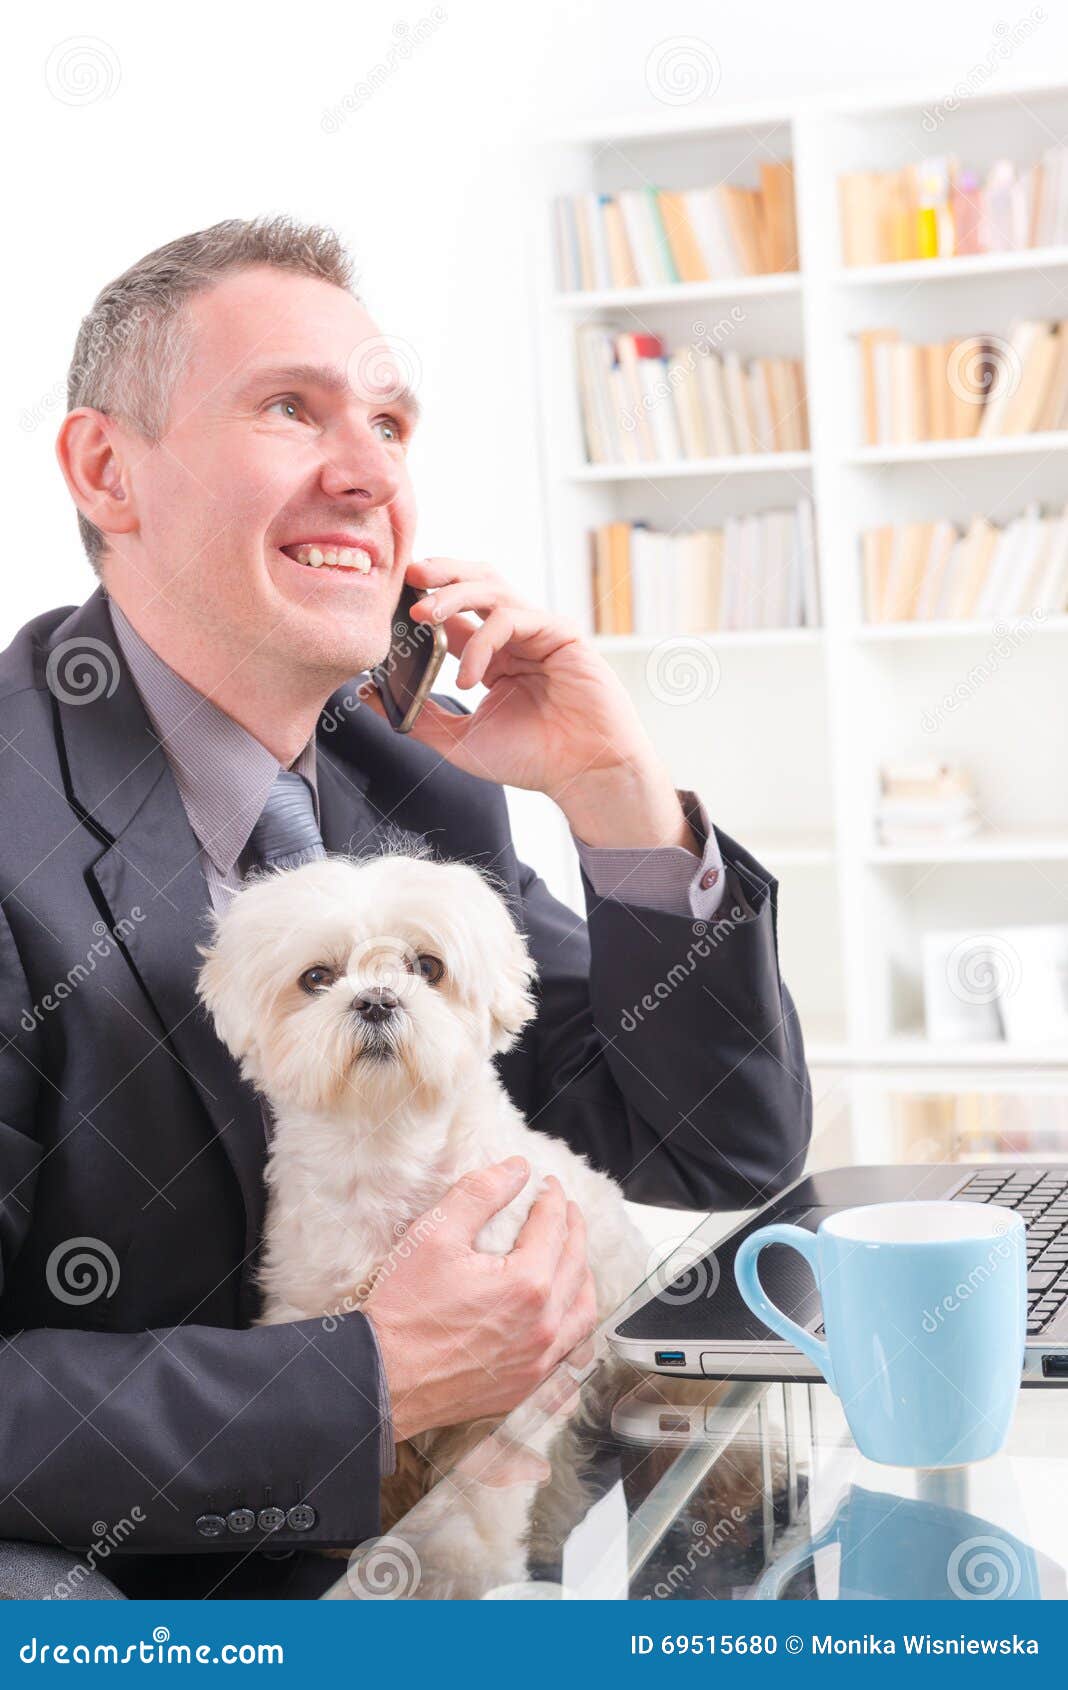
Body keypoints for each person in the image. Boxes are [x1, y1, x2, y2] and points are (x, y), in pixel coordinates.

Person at [0, 217, 810, 1598]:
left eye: (390, 422)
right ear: (106, 470)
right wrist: (367, 1375)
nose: (370, 472)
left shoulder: (401, 772)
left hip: (474, 1535)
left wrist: (615, 793)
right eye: (291, 409)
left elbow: (712, 1147)